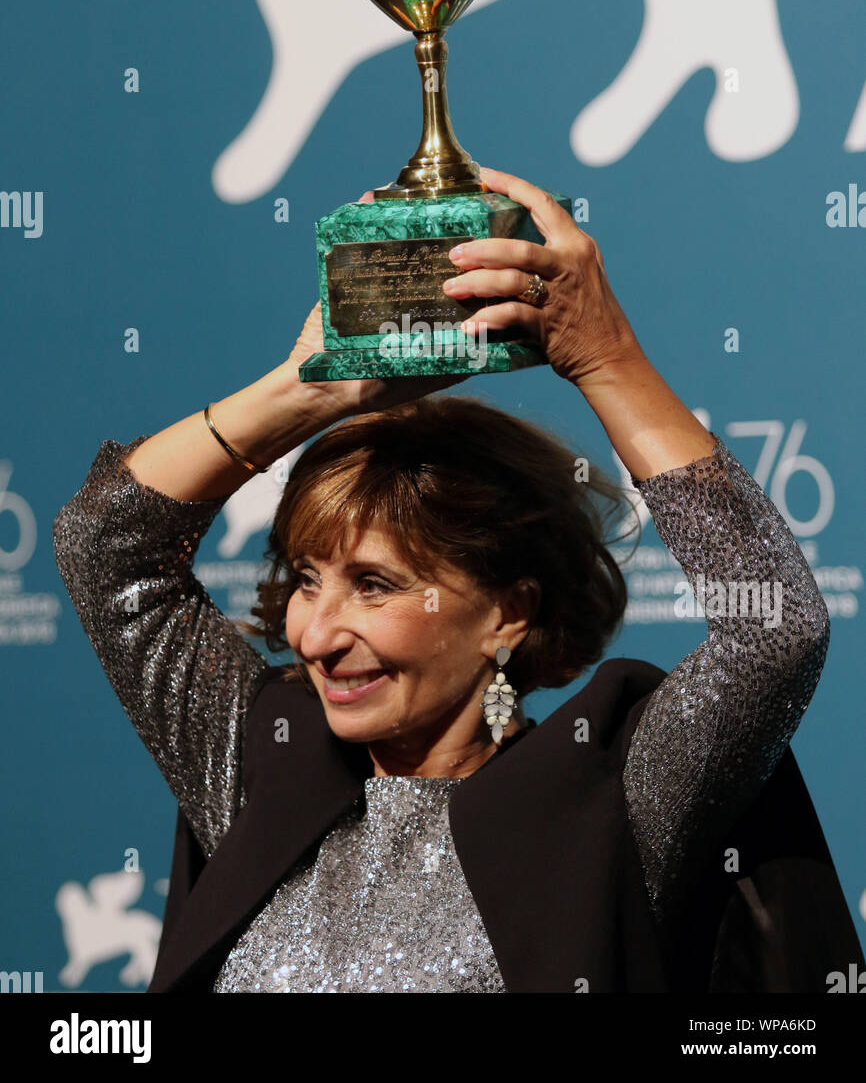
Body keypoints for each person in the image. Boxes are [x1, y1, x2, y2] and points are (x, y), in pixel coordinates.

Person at [52, 167, 859, 993]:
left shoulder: (608, 801)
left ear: (509, 613)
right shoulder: (264, 768)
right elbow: (105, 544)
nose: (315, 636)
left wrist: (605, 357)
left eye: (373, 585)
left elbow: (776, 627)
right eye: (305, 578)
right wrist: (310, 388)